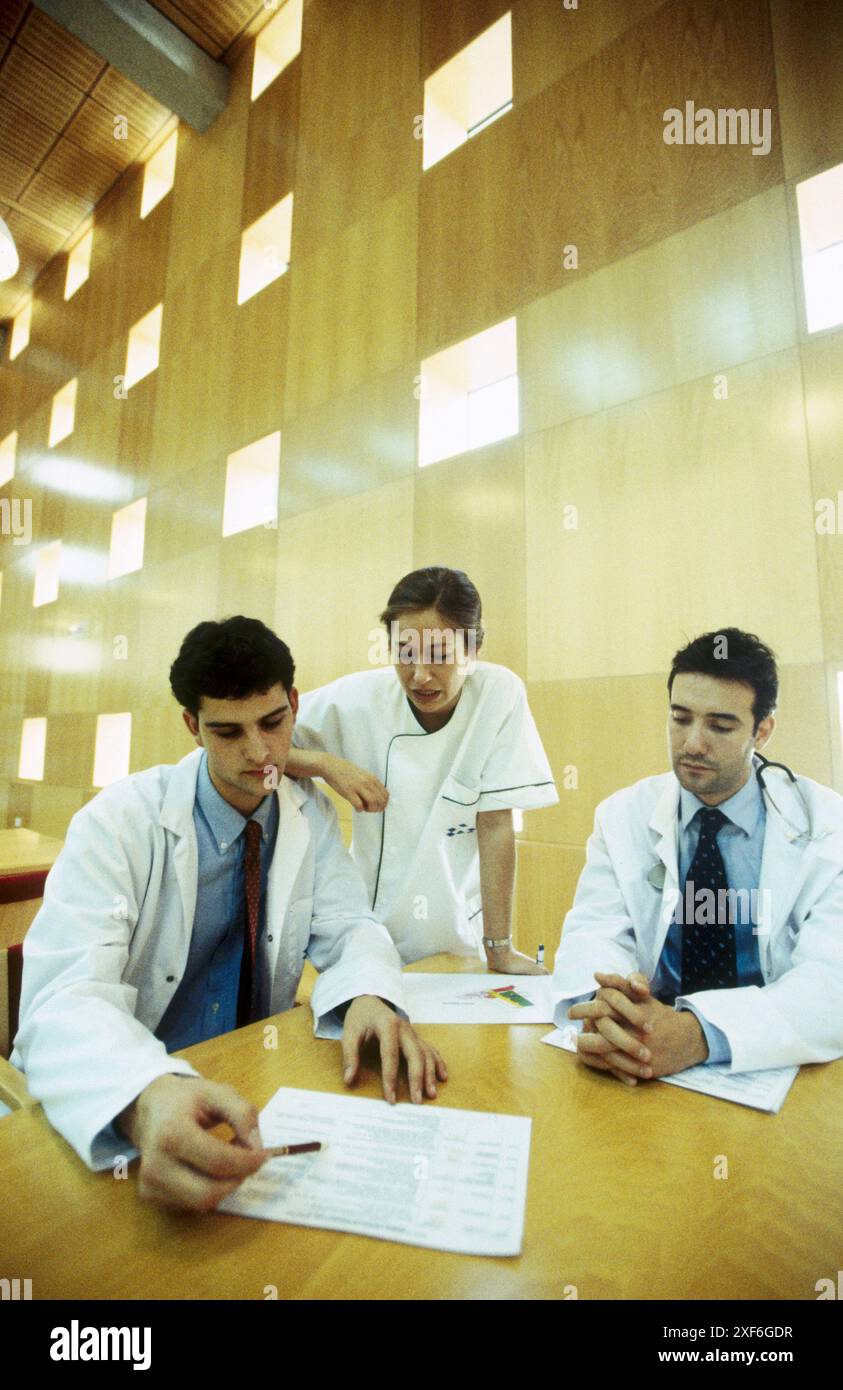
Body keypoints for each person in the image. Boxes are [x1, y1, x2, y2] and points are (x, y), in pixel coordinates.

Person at [13, 616, 446, 1211]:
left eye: (273, 723)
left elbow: (350, 927)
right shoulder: (118, 823)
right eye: (227, 732)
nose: (260, 752)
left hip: (249, 1081)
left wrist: (368, 993)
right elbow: (64, 998)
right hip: (134, 1098)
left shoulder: (306, 813)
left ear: (294, 704)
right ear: (192, 726)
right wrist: (142, 1096)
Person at [551, 628, 843, 1082]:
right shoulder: (622, 815)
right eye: (680, 718)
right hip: (644, 1050)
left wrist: (700, 1033)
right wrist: (609, 1012)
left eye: (720, 726)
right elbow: (596, 931)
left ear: (762, 731)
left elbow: (832, 980)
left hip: (764, 1058)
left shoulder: (827, 825)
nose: (692, 743)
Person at [285, 567, 558, 970]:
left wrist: (499, 948)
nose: (420, 676)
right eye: (405, 654)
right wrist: (327, 765)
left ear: (474, 650)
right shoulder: (358, 698)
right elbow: (257, 748)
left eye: (440, 657)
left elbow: (496, 824)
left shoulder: (499, 695)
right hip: (365, 926)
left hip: (454, 932)